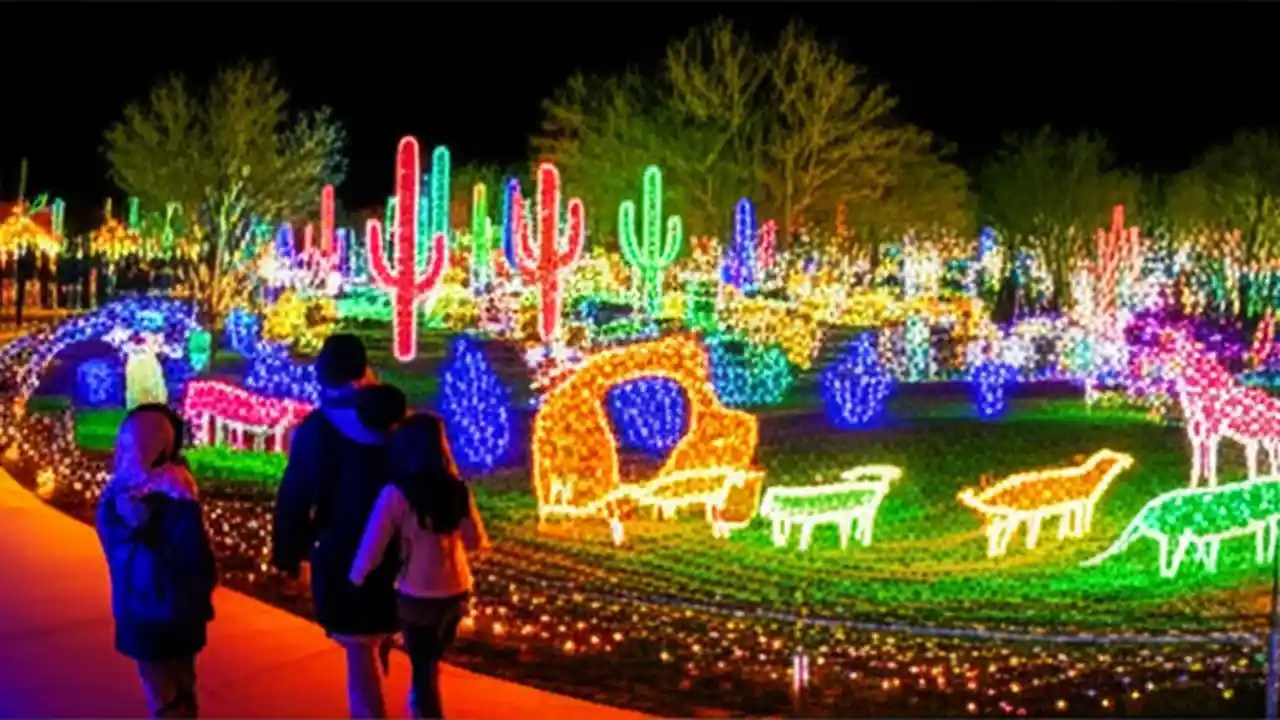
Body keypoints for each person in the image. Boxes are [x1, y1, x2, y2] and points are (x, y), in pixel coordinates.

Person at [271, 335, 404, 718]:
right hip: (401, 552)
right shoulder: (396, 420)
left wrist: (288, 552)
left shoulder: (318, 428)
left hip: (343, 554)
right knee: (379, 635)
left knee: (359, 646)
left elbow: (296, 494)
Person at [350, 413, 490, 719]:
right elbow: (476, 539)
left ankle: (425, 711)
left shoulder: (396, 494)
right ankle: (420, 709)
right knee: (430, 665)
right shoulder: (457, 489)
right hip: (456, 590)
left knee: (423, 672)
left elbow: (371, 547)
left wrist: (355, 579)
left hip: (417, 593)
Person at [96, 403, 216, 718]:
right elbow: (197, 557)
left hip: (146, 610)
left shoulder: (122, 496)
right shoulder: (177, 490)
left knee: (165, 694)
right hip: (177, 609)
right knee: (179, 689)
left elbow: (190, 554)